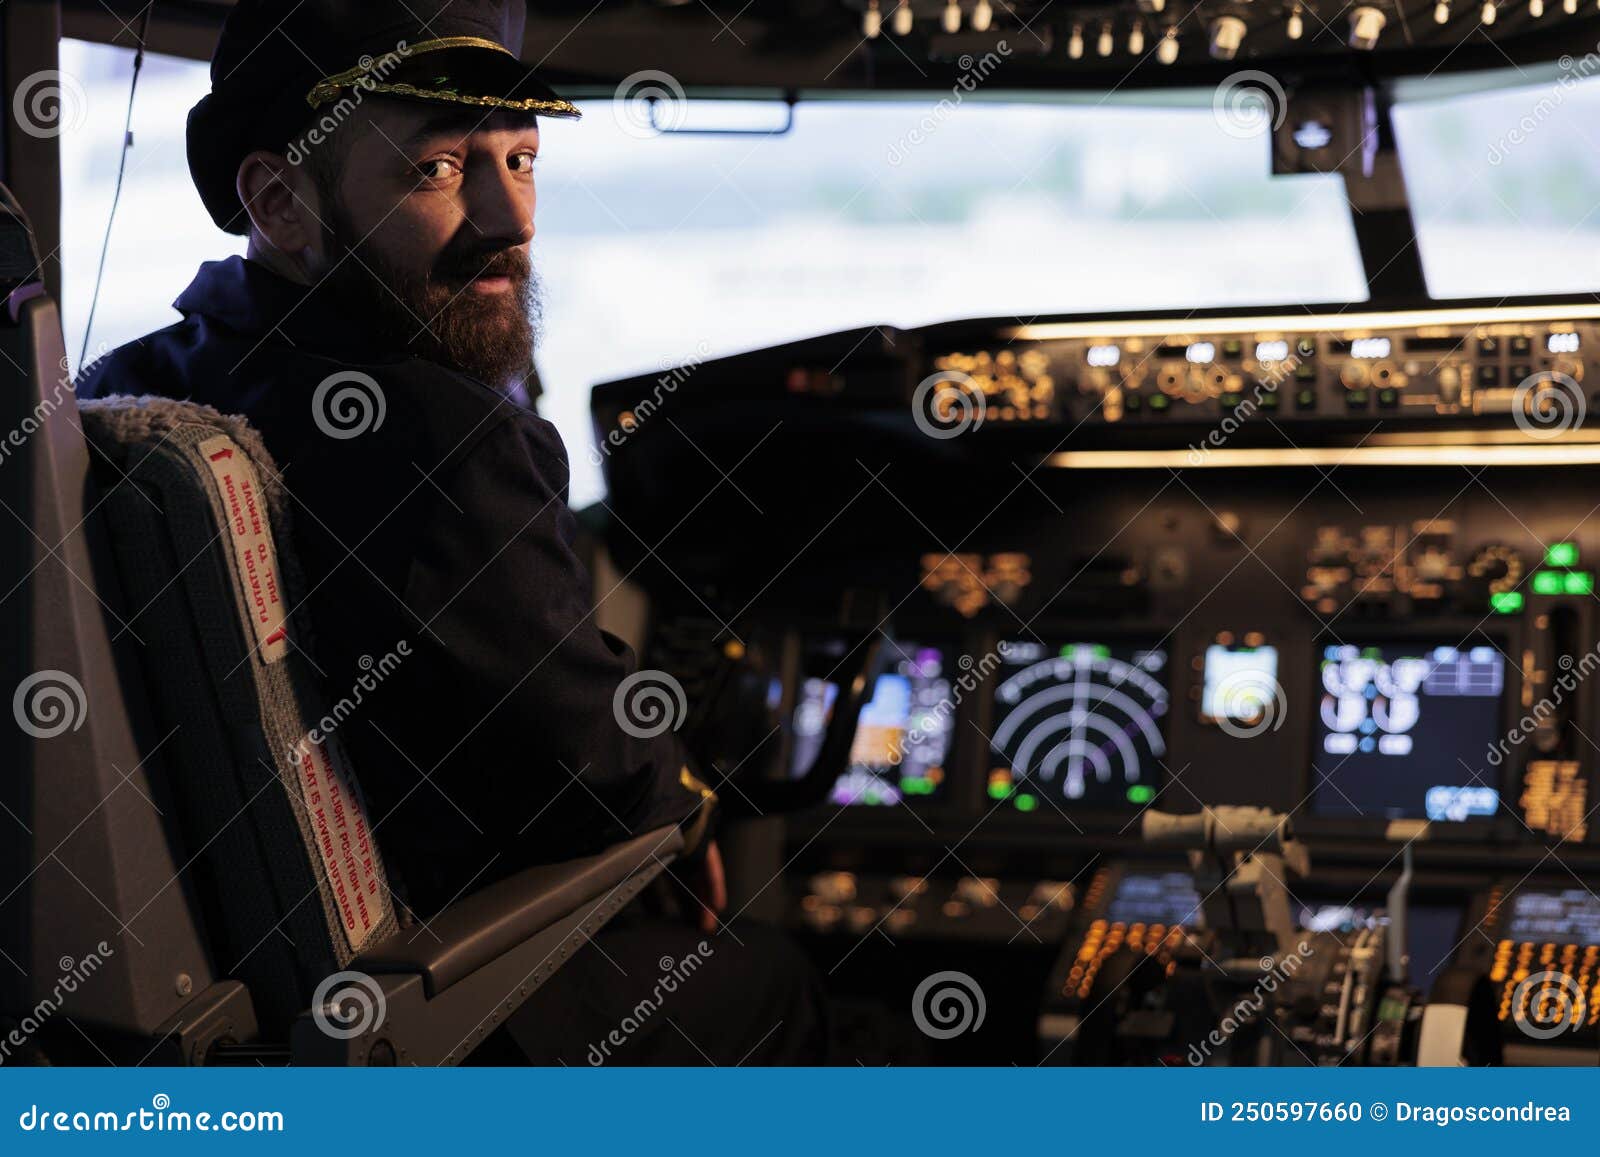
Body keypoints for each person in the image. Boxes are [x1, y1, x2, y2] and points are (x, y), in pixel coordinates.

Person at [79, 0, 826, 1065]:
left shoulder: (125, 388)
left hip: (231, 1002)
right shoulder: (439, 431)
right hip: (433, 999)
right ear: (282, 201)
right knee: (774, 976)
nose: (509, 216)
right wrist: (685, 807)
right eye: (437, 168)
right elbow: (581, 755)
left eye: (521, 159)